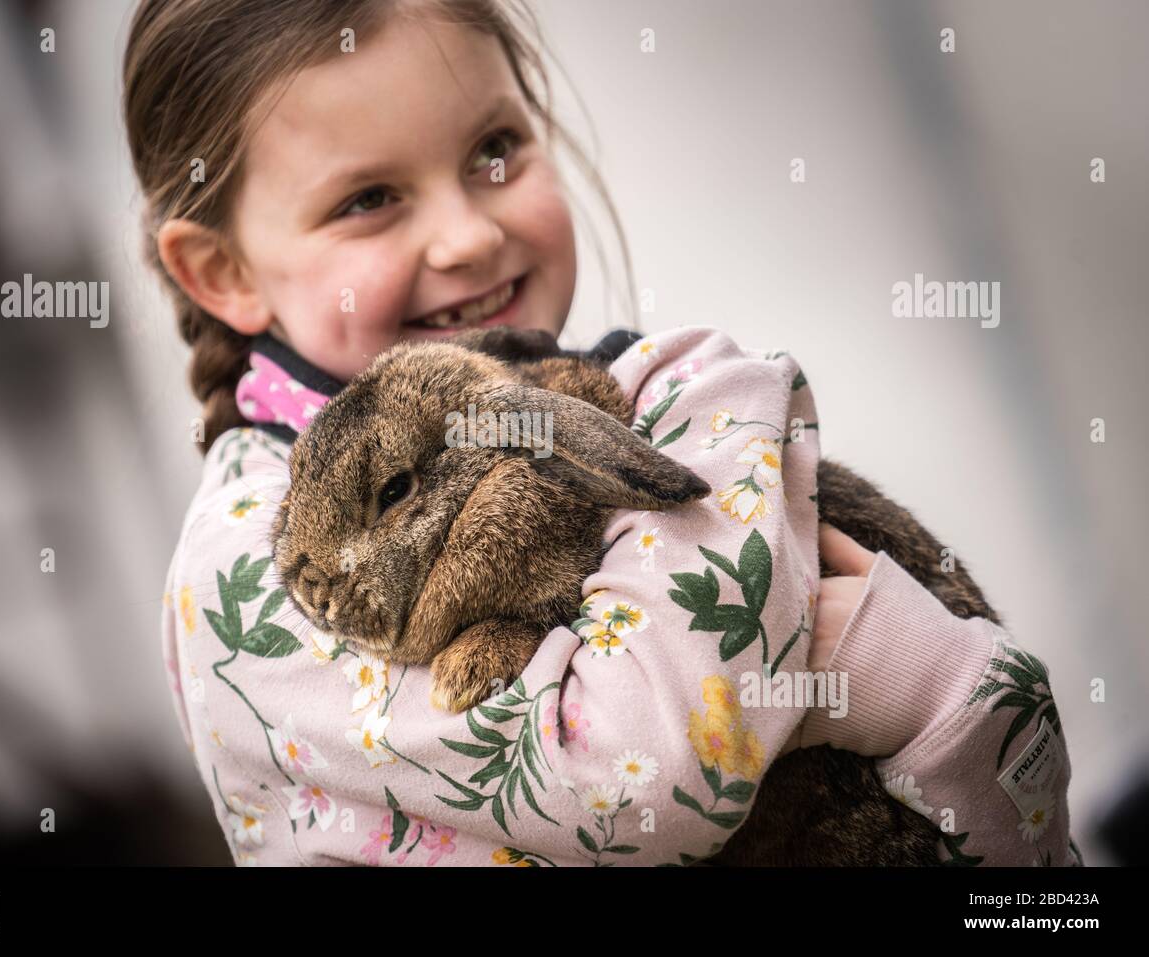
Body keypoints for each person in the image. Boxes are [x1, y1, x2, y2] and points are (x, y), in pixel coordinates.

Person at [126, 0, 1077, 866]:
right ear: (222, 272)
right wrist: (855, 658)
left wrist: (959, 689)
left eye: (495, 150)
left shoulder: (576, 404)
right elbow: (643, 778)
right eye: (367, 198)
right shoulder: (250, 567)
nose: (466, 234)